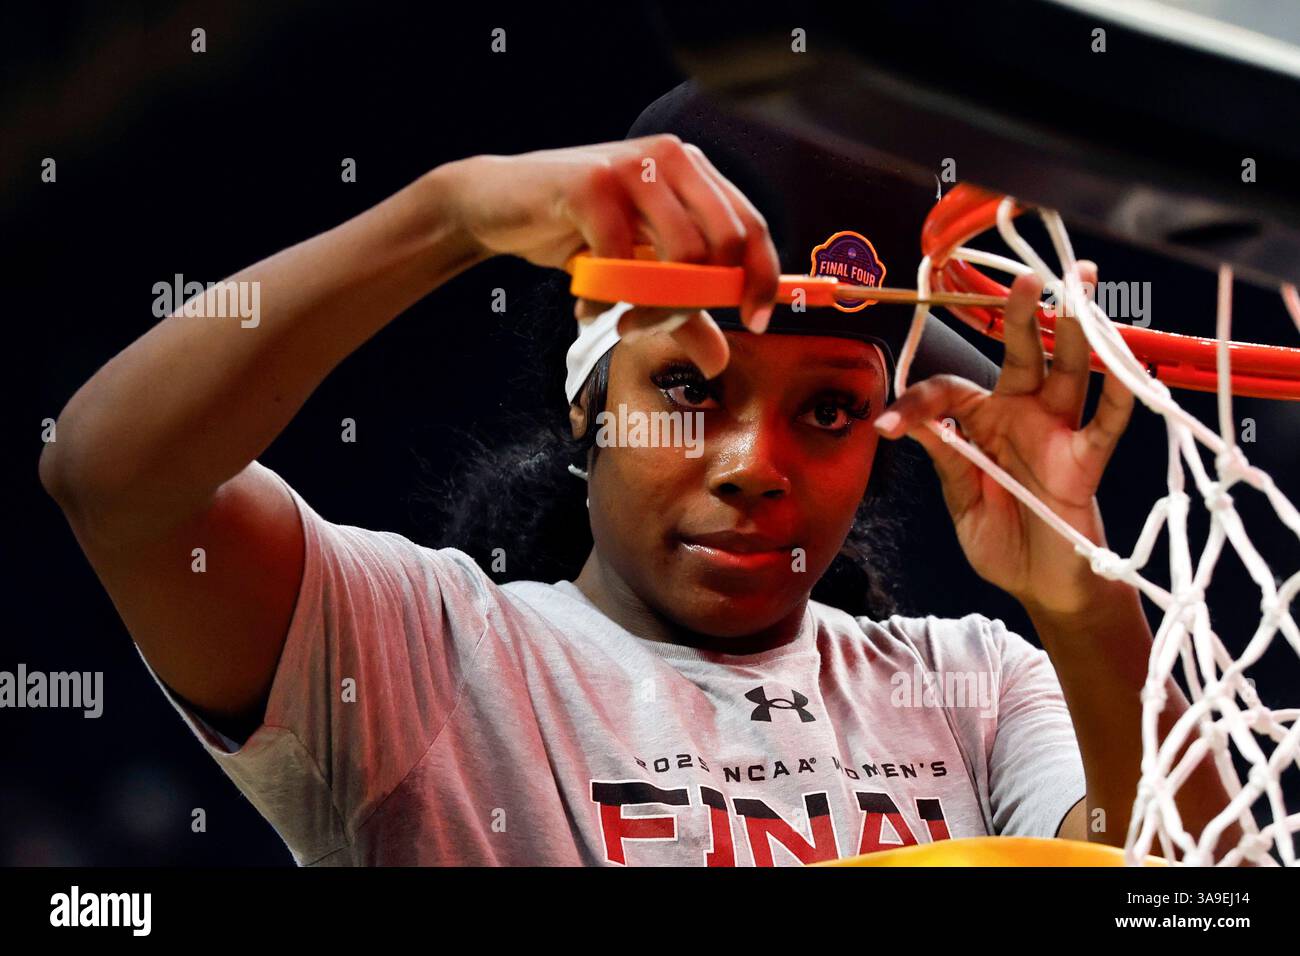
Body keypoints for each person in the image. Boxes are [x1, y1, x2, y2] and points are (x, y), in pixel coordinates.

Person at [40, 83, 1235, 865]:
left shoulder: (976, 684)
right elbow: (110, 475)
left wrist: (1084, 603)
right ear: (586, 398)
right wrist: (451, 211)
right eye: (687, 391)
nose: (755, 466)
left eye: (827, 408)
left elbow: (1196, 898)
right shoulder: (427, 652)